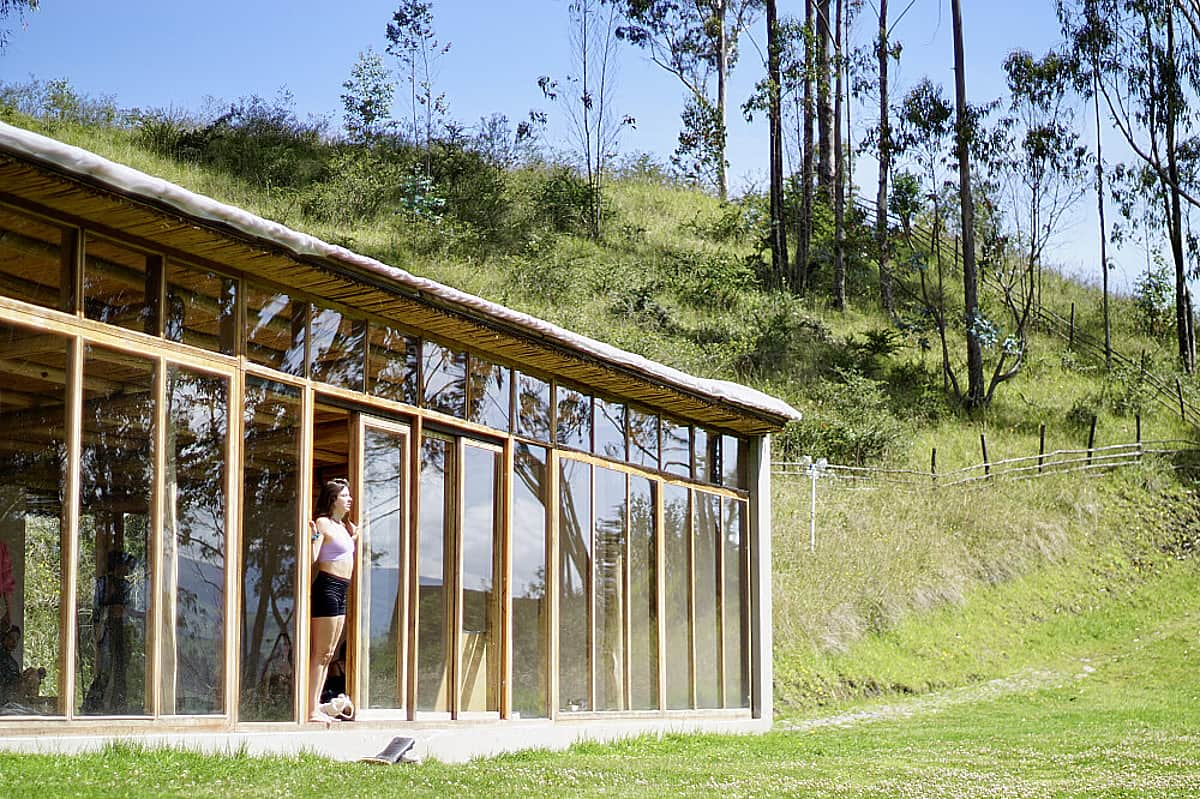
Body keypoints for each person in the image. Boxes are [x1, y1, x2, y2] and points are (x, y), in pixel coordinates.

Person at [309, 478, 356, 724]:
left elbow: (345, 552)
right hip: (327, 586)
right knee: (320, 651)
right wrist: (314, 538)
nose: (349, 499)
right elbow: (313, 559)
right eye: (345, 495)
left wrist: (353, 536)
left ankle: (316, 705)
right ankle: (310, 709)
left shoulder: (344, 527)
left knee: (329, 653)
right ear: (333, 499)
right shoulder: (323, 523)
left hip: (342, 589)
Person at [0, 624, 45, 706]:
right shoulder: (3, 658)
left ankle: (33, 701)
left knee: (32, 672)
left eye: (17, 639)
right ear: (4, 638)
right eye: (11, 638)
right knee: (32, 672)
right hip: (4, 697)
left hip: (12, 696)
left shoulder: (12, 662)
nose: (14, 642)